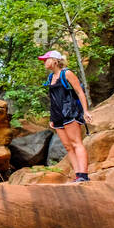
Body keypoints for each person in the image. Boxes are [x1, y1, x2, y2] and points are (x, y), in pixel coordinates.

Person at [39, 50, 93, 183]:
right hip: (57, 114)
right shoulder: (51, 77)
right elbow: (53, 98)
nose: (44, 62)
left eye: (46, 59)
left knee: (76, 143)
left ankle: (84, 175)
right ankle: (77, 174)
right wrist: (52, 117)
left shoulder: (67, 73)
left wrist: (85, 111)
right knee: (68, 146)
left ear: (55, 61)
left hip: (70, 111)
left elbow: (80, 92)